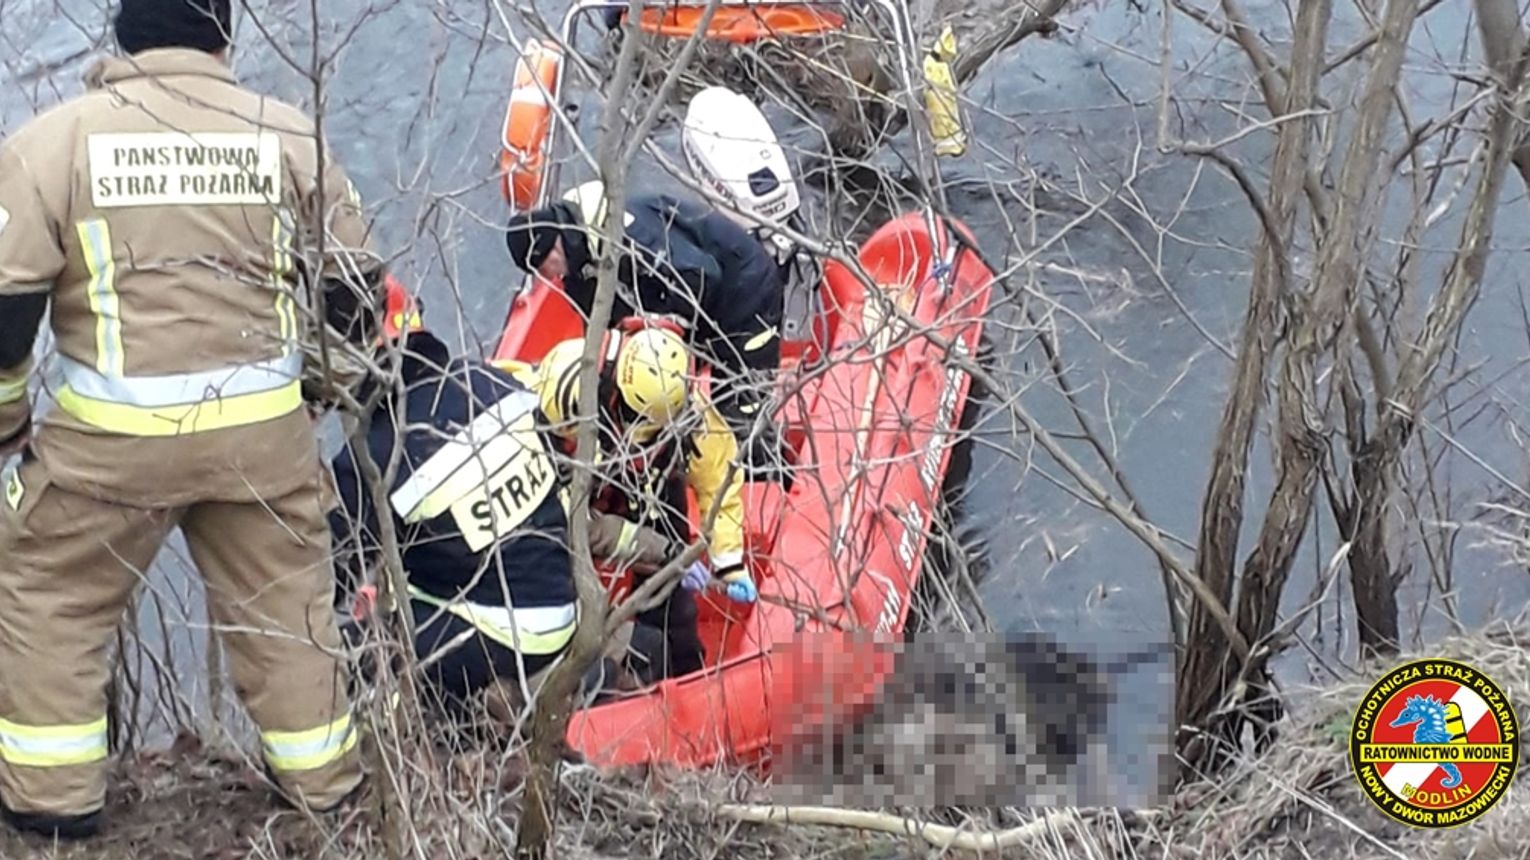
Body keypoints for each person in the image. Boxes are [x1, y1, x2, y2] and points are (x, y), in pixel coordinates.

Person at [0, 0, 383, 838]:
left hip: (110, 448)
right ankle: (326, 792)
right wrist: (314, 393)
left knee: (48, 597)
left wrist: (9, 432)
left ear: (122, 38)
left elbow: (4, 316)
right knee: (290, 610)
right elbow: (355, 296)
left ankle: (51, 811)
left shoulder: (51, 146)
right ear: (223, 37)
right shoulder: (285, 135)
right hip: (261, 439)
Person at [330, 280, 680, 717]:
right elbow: (567, 509)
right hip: (564, 606)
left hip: (508, 630)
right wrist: (665, 550)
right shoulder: (494, 382)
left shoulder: (374, 455)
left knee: (350, 655)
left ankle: (427, 742)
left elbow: (325, 581)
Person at [507, 320, 758, 684]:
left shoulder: (685, 411)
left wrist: (728, 561)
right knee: (570, 575)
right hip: (577, 486)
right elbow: (552, 499)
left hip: (647, 486)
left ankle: (683, 674)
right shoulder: (568, 391)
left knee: (671, 596)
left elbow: (718, 474)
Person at [503, 182, 788, 468]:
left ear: (552, 247)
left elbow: (701, 276)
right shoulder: (579, 263)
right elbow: (599, 327)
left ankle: (766, 473)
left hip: (744, 292)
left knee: (741, 411)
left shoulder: (629, 235)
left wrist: (665, 333)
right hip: (699, 300)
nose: (548, 277)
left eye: (542, 268)